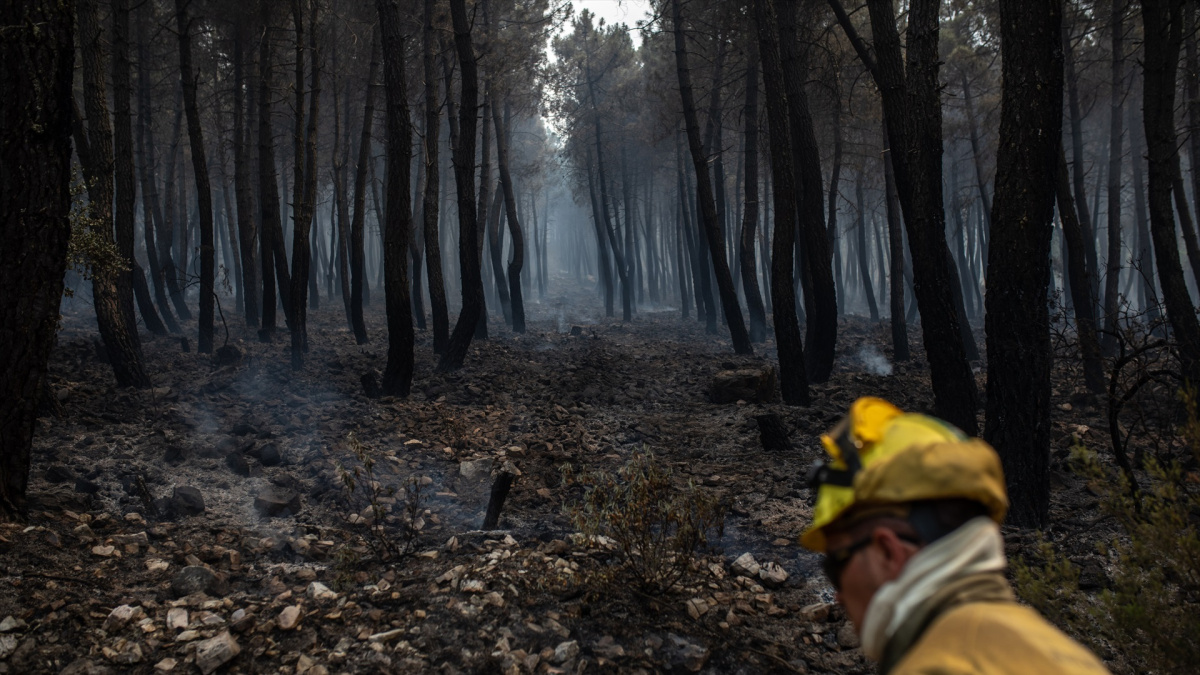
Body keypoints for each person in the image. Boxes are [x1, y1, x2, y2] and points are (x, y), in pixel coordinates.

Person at [801, 397, 1111, 675]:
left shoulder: (939, 666)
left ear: (888, 551)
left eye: (836, 566)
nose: (838, 596)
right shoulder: (1070, 658)